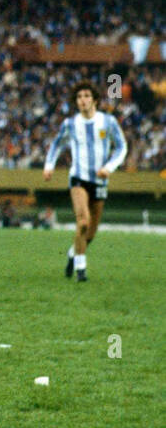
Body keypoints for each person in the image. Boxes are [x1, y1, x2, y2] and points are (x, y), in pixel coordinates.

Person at [42, 80, 127, 281]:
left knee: (90, 233)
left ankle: (73, 254)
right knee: (82, 221)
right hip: (78, 178)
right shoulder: (70, 124)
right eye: (79, 97)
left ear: (95, 100)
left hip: (99, 181)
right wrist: (49, 166)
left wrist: (109, 167)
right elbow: (56, 145)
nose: (83, 100)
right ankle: (81, 270)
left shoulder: (108, 122)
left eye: (87, 96)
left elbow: (122, 147)